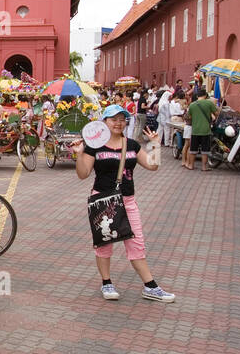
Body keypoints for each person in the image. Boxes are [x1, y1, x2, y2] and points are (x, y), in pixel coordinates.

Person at [73, 105, 175, 302]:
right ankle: (107, 283)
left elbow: (152, 165)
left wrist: (155, 144)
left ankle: (150, 287)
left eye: (122, 119)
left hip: (127, 200)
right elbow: (83, 174)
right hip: (103, 200)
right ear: (104, 122)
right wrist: (79, 153)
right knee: (104, 245)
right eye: (114, 119)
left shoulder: (132, 145)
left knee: (136, 243)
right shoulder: (94, 146)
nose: (119, 123)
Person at [187, 88, 218, 171]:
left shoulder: (192, 105)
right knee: (205, 150)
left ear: (197, 95)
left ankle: (191, 165)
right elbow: (216, 113)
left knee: (193, 149)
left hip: (195, 130)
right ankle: (204, 167)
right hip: (205, 130)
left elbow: (189, 117)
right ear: (205, 95)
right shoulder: (209, 103)